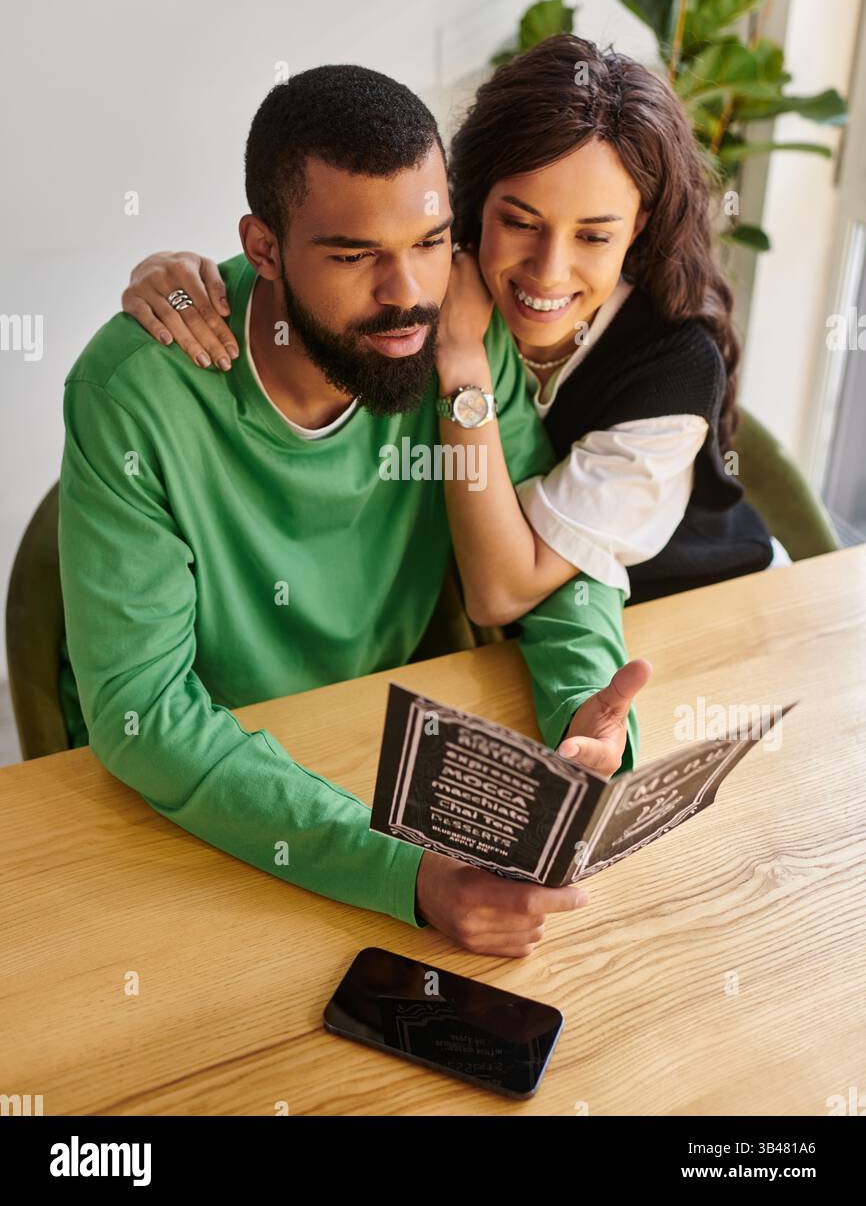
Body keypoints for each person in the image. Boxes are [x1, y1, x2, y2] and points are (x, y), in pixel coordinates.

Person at [59, 63, 650, 961]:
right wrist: (402, 875)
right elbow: (143, 708)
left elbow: (545, 549)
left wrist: (584, 723)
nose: (405, 292)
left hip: (381, 752)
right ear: (263, 249)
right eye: (353, 256)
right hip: (197, 819)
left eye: (429, 241)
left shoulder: (455, 322)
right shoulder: (135, 391)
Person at [122, 37, 776, 618]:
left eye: (594, 236)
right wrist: (173, 272)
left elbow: (501, 591)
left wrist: (464, 367)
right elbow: (313, 255)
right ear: (471, 202)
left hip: (702, 611)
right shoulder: (424, 281)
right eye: (520, 222)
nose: (548, 274)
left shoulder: (673, 368)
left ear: (636, 228)